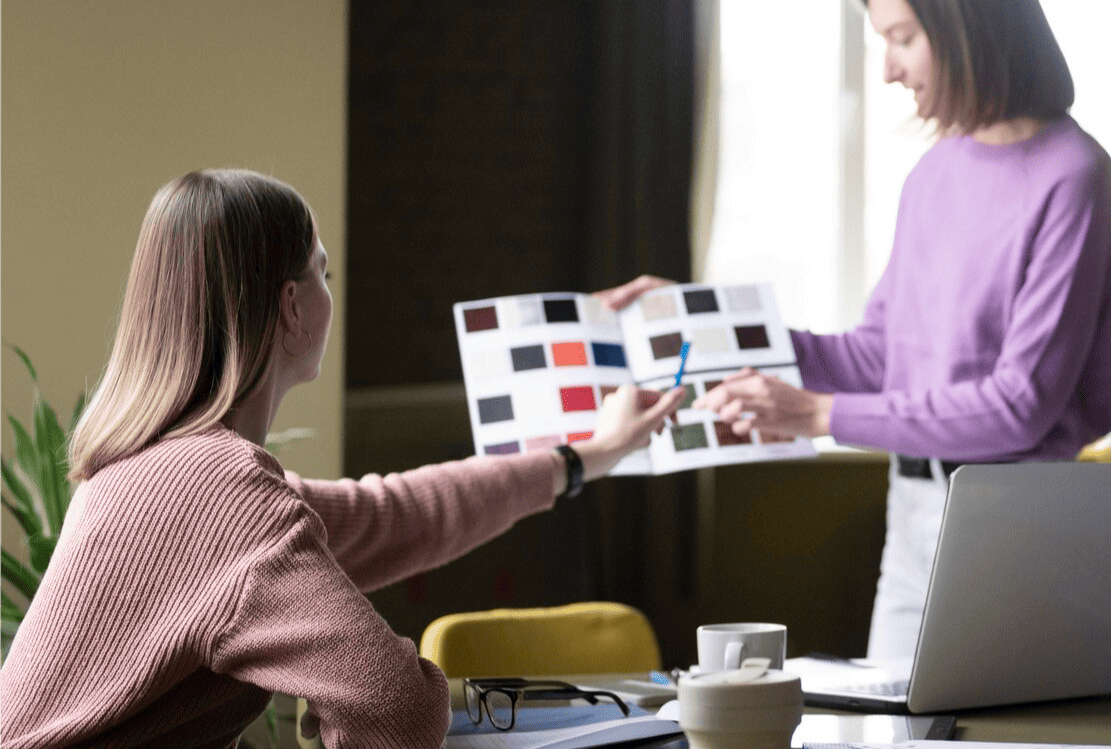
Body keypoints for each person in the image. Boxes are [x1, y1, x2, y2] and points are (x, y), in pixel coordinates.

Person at [598, 0, 1111, 661]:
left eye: (902, 37)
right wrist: (698, 324)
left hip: (1016, 517)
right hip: (912, 506)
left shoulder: (1073, 176)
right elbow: (882, 356)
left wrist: (817, 413)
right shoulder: (933, 175)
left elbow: (1019, 407)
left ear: (969, 26)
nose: (887, 68)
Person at [0, 170, 683, 748]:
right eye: (322, 271)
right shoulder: (221, 487)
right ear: (292, 307)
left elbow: (399, 516)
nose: (330, 290)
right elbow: (398, 708)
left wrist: (585, 457)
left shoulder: (153, 470)